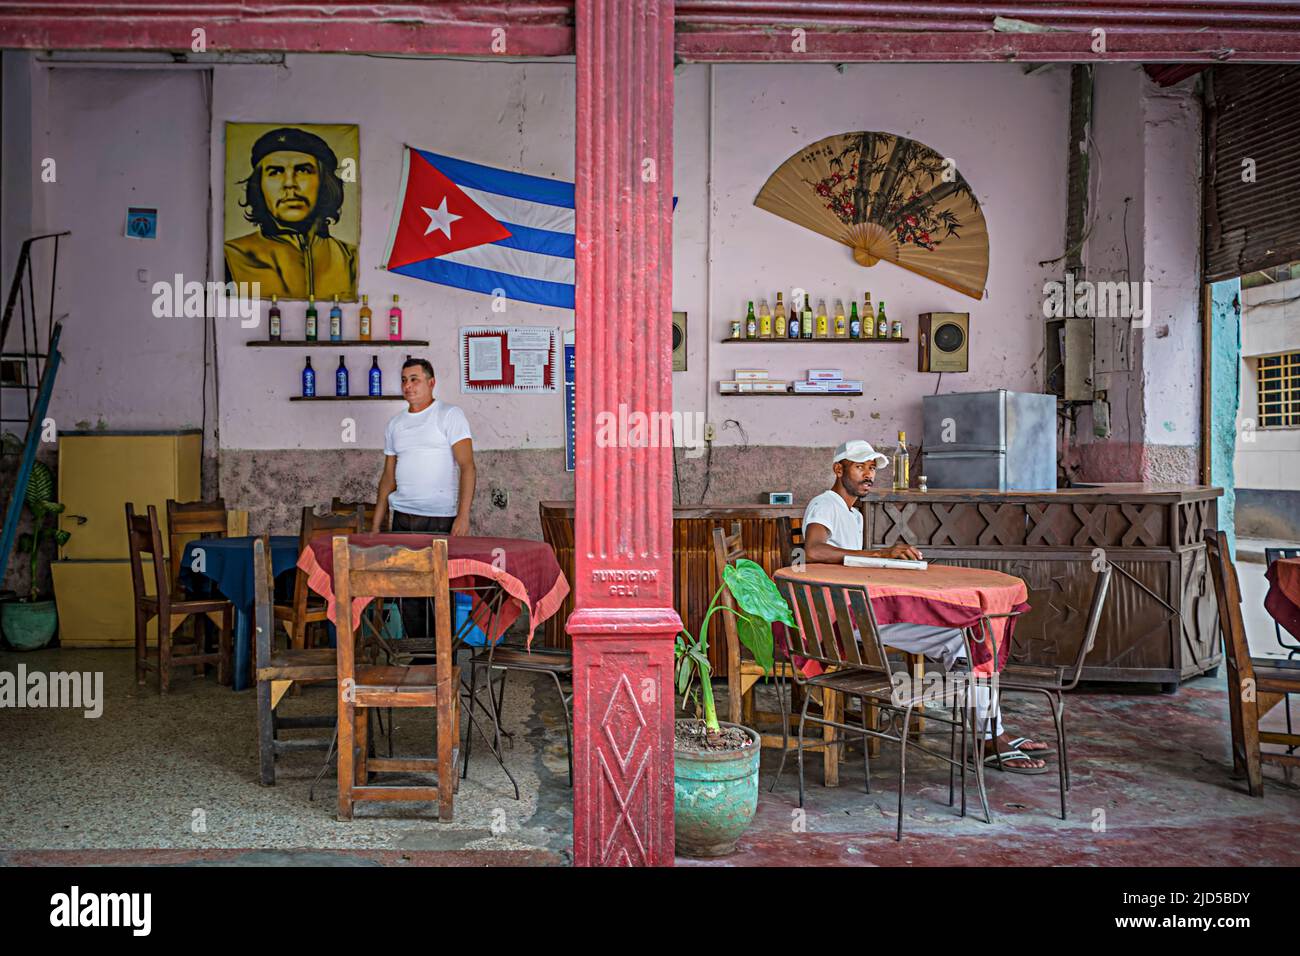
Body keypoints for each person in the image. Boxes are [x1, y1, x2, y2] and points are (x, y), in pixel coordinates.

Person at [801, 439, 1049, 773]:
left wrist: (892, 561)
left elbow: (849, 564)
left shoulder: (853, 515)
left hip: (858, 613)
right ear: (838, 468)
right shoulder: (826, 503)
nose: (868, 474)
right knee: (966, 639)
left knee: (967, 637)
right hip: (843, 622)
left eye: (872, 468)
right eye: (860, 467)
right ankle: (989, 737)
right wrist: (880, 556)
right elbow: (814, 551)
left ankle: (990, 732)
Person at [373, 358, 476, 638]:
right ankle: (420, 661)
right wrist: (377, 523)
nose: (408, 385)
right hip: (403, 519)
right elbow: (387, 478)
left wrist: (463, 516)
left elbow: (467, 466)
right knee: (407, 592)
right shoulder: (395, 425)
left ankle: (444, 661)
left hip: (440, 519)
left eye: (414, 379)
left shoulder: (449, 415)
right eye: (404, 379)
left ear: (431, 383)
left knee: (439, 591)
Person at [224, 126, 357, 300]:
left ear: (325, 183)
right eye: (276, 172)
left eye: (303, 170)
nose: (289, 184)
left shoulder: (350, 259)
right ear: (259, 186)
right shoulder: (231, 257)